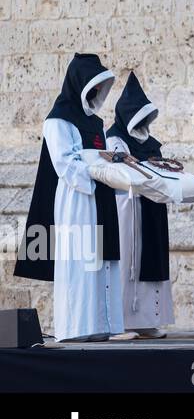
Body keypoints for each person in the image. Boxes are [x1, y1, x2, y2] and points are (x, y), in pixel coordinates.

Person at [14, 54, 126, 342]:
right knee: (80, 263)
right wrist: (97, 169)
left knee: (101, 262)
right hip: (78, 199)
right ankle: (77, 327)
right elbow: (65, 163)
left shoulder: (97, 123)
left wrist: (117, 168)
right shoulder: (58, 121)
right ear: (80, 85)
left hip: (100, 196)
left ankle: (103, 325)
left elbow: (100, 157)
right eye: (95, 87)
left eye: (102, 88)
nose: (99, 94)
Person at [105, 72, 173, 340]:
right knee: (128, 263)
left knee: (151, 262)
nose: (143, 123)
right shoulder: (115, 140)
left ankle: (146, 320)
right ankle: (121, 322)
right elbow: (120, 171)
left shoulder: (151, 143)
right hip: (128, 210)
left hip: (152, 208)